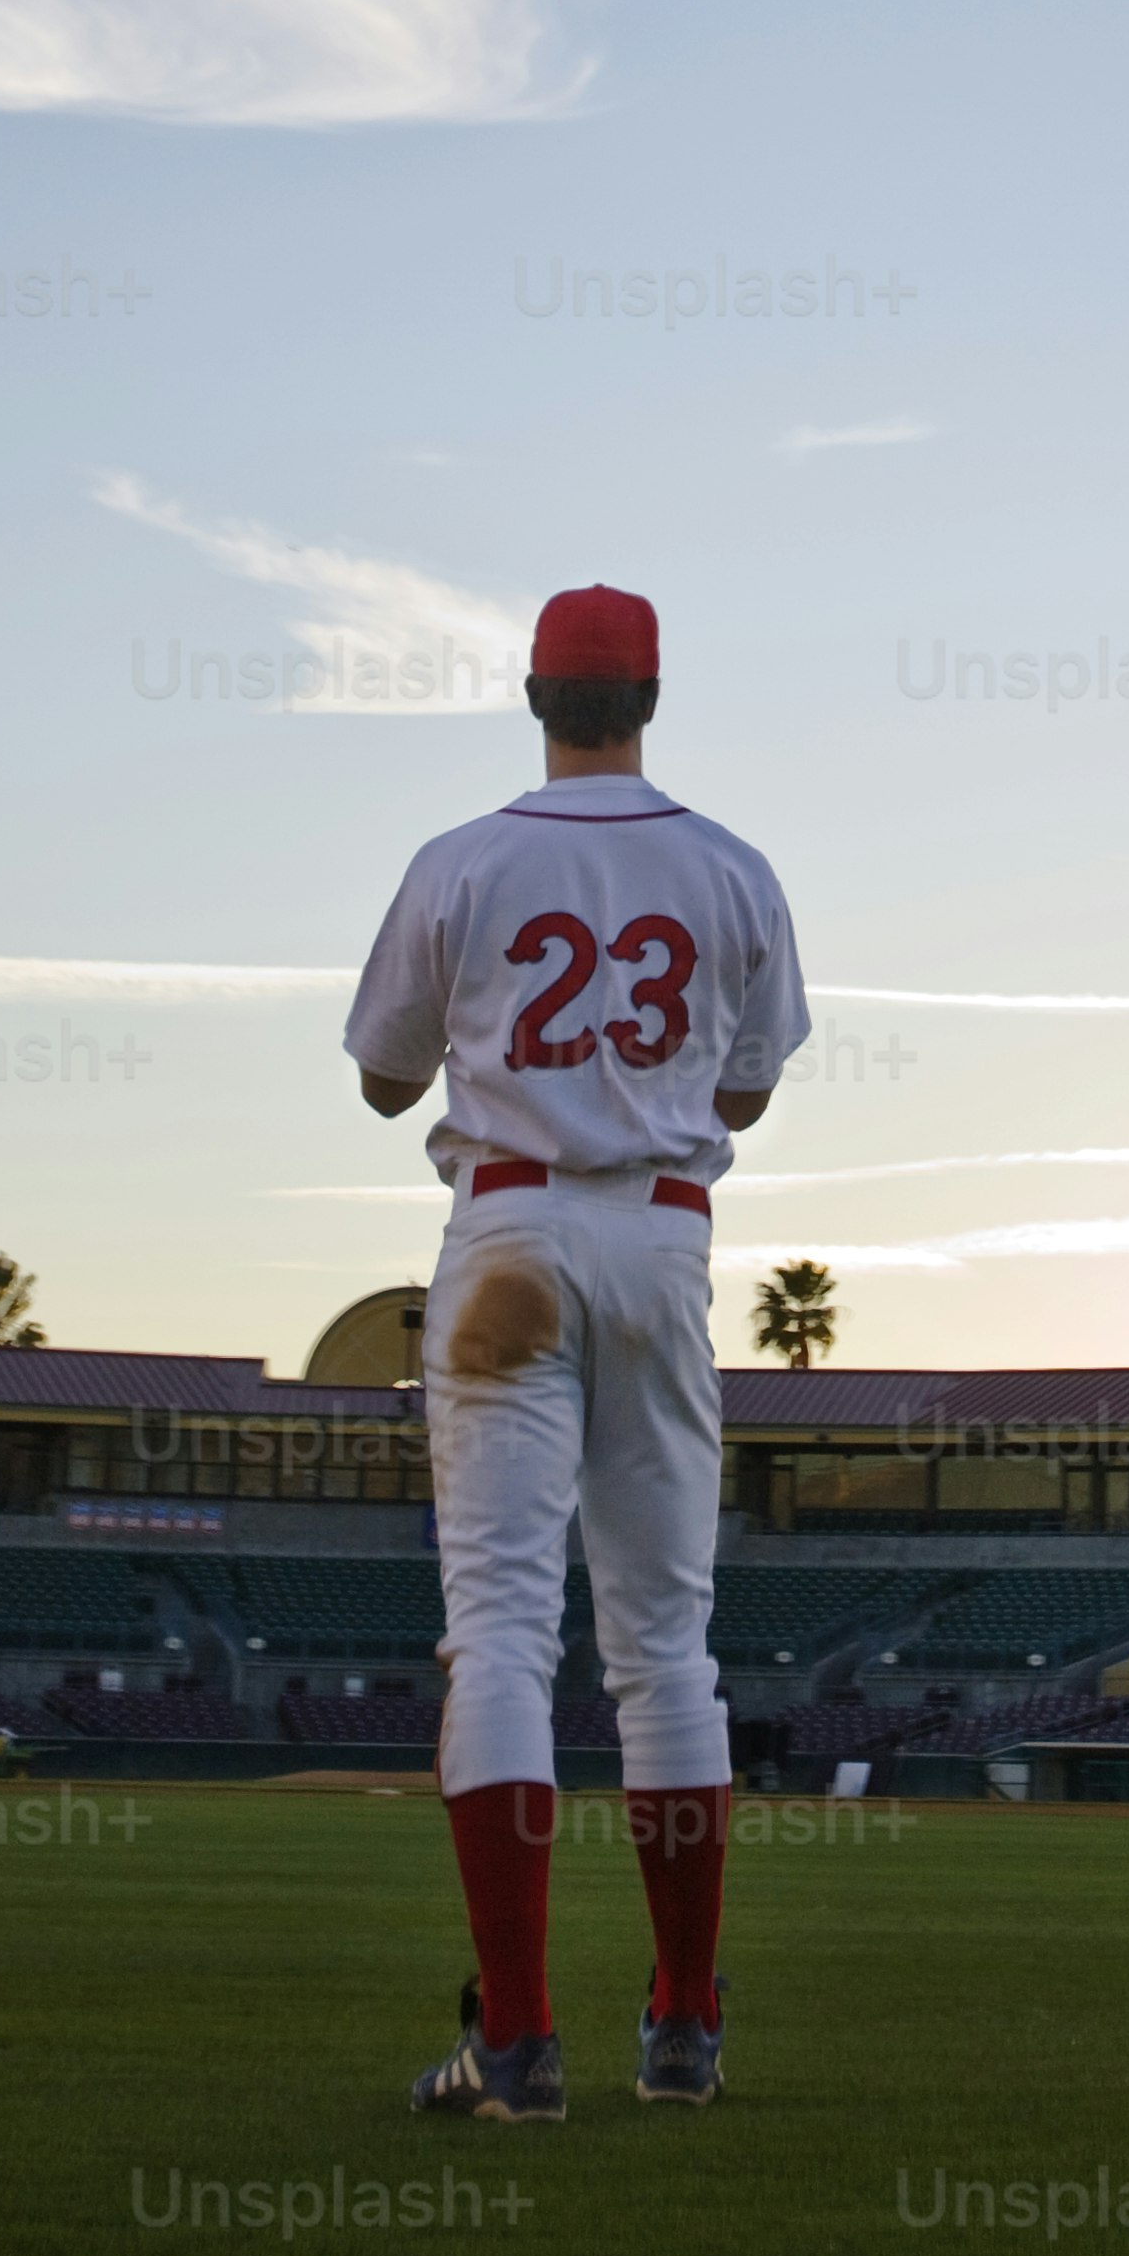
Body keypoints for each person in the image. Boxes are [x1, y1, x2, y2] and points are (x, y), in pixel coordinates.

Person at [345, 581, 809, 2120]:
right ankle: (680, 2026)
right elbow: (743, 1096)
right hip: (660, 1236)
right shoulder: (732, 867)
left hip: (508, 1232)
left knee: (498, 1634)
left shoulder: (462, 859)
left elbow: (380, 1081)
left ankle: (522, 2044)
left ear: (533, 693)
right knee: (664, 1646)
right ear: (652, 701)